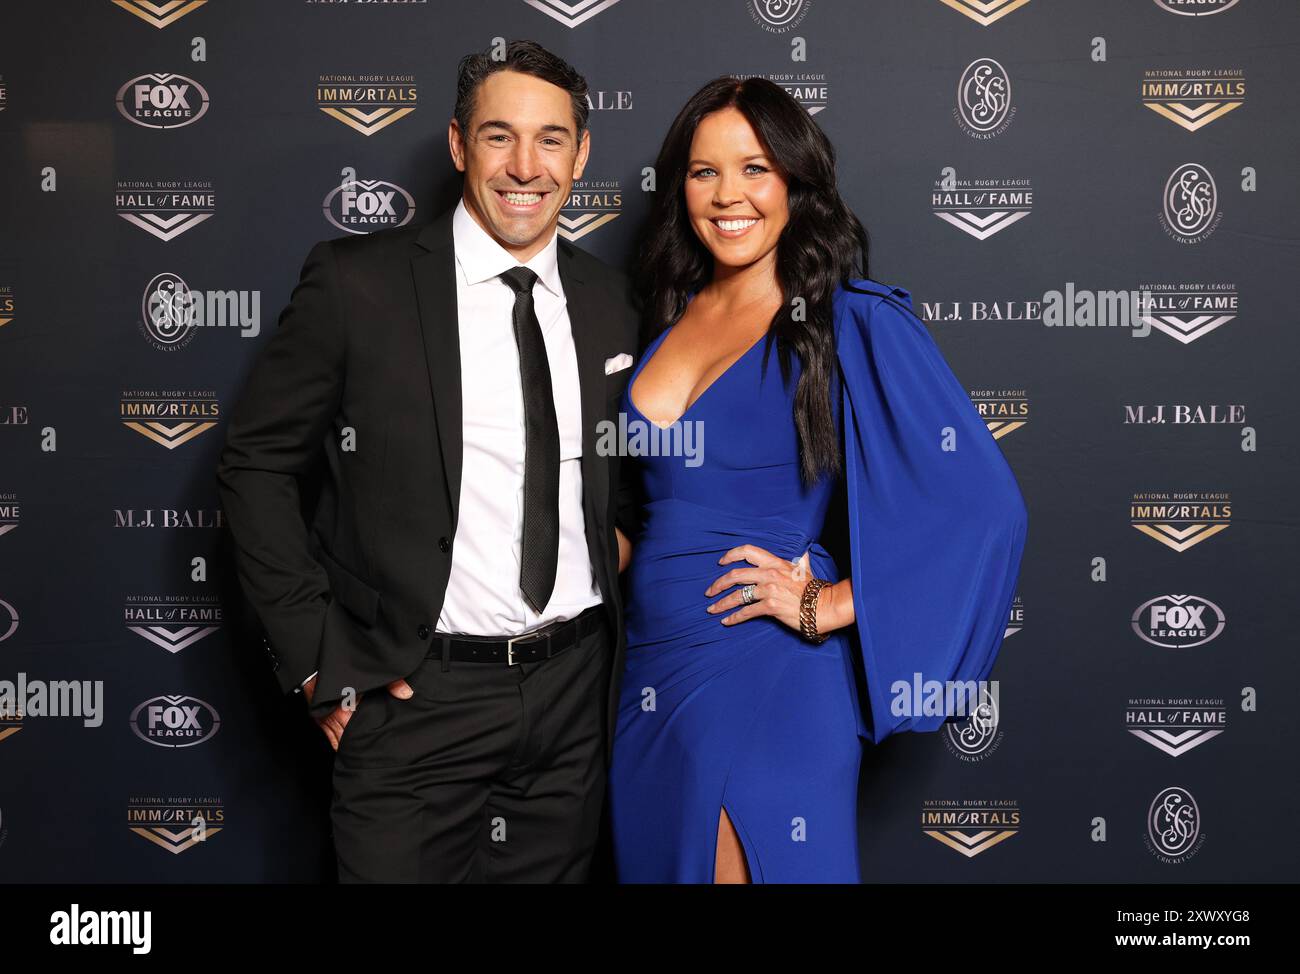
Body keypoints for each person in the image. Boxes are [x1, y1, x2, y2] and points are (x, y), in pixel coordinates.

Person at [216, 40, 640, 883]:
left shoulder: (612, 301)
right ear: (456, 145)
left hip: (573, 701)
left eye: (551, 139)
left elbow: (626, 480)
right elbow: (255, 466)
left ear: (582, 153)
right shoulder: (356, 285)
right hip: (416, 704)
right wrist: (315, 660)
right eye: (498, 137)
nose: (526, 166)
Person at [608, 77, 1029, 883]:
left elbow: (987, 510)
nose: (728, 195)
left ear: (796, 182)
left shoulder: (849, 322)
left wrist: (827, 603)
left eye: (755, 168)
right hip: (652, 681)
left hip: (770, 677)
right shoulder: (670, 313)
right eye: (704, 172)